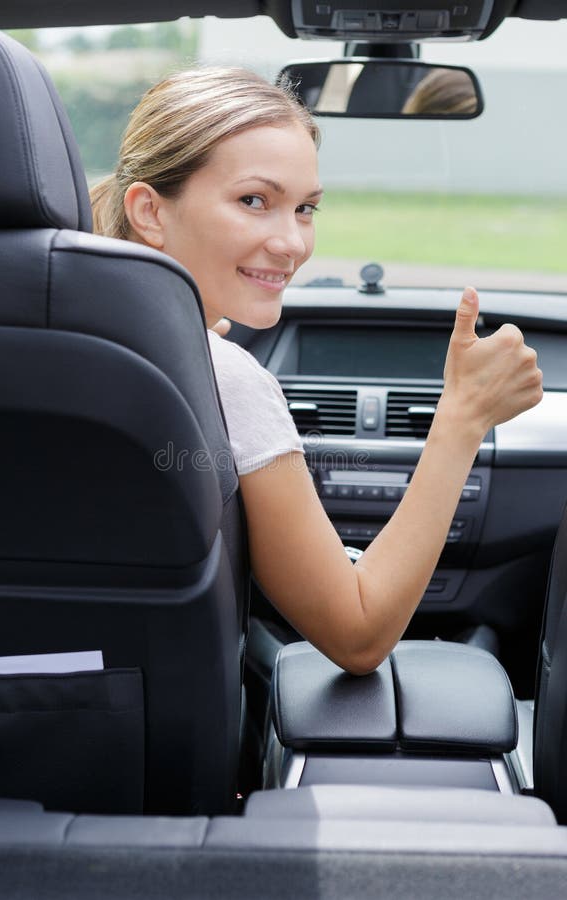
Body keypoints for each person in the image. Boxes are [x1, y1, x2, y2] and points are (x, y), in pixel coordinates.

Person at [91, 67, 542, 676]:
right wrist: (465, 416)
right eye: (254, 201)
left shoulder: (51, 337)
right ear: (149, 211)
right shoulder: (223, 378)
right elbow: (357, 636)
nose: (292, 243)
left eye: (305, 209)